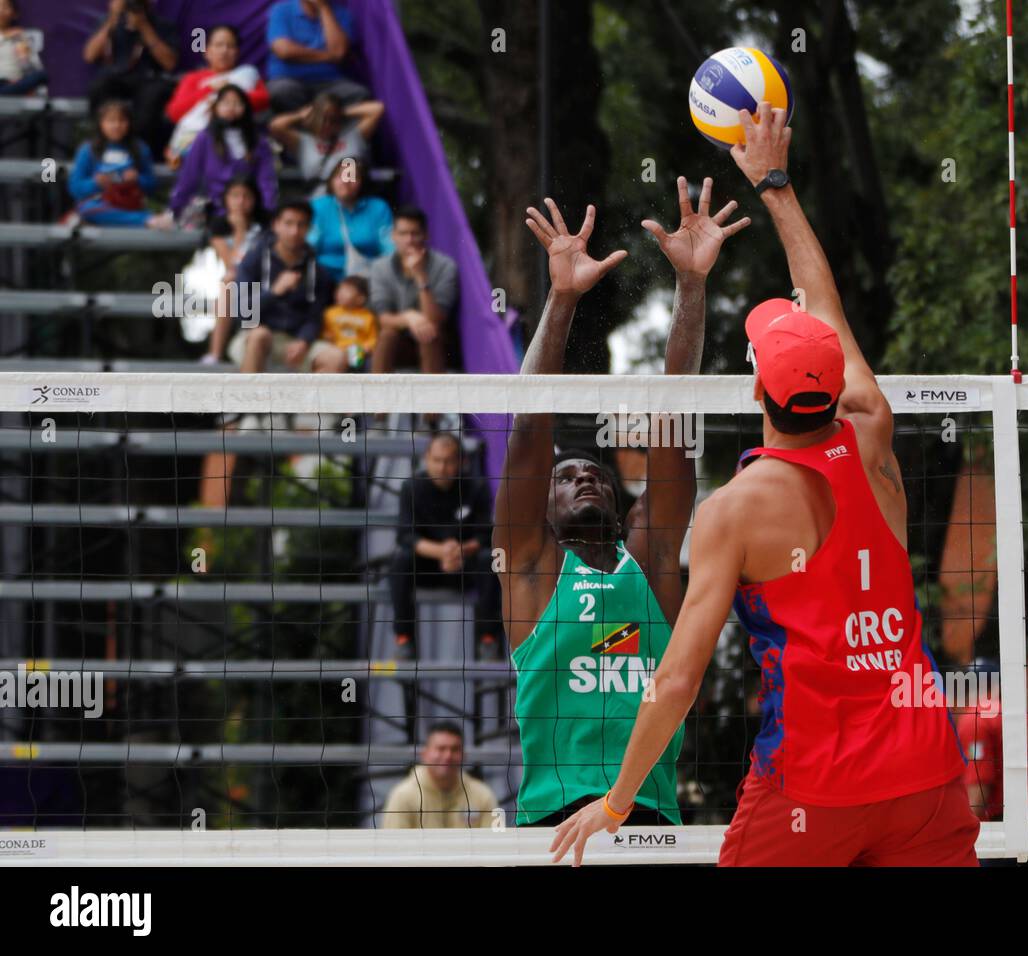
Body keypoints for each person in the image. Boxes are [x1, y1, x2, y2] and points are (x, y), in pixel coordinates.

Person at [551, 103, 979, 868]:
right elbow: (827, 304)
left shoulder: (732, 515)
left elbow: (678, 678)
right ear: (833, 385)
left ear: (756, 393)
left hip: (812, 790)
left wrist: (616, 802)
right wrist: (774, 186)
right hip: (925, 780)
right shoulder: (873, 435)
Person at [496, 178, 749, 829]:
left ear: (621, 500)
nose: (584, 479)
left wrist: (691, 286)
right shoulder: (533, 568)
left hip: (646, 821)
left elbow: (674, 414)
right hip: (553, 825)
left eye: (596, 475)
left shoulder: (653, 560)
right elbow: (530, 428)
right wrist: (561, 298)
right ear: (543, 514)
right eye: (566, 477)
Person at [388, 432, 500, 659]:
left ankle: (489, 639)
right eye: (437, 460)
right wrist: (441, 551)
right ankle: (403, 639)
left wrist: (461, 550)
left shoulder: (476, 487)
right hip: (427, 566)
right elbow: (405, 535)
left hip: (465, 566)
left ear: (461, 462)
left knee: (492, 559)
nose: (442, 467)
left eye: (448, 461)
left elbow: (486, 534)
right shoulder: (412, 488)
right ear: (427, 459)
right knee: (400, 559)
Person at [228, 200, 343, 374]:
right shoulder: (253, 261)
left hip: (295, 341)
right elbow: (241, 310)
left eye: (301, 225)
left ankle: (311, 402)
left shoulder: (318, 271)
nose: (294, 231)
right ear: (276, 225)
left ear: (309, 229)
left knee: (336, 357)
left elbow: (315, 316)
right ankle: (249, 400)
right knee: (260, 335)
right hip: (253, 337)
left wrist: (304, 341)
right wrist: (274, 292)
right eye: (288, 223)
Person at [957, 658, 1028, 825]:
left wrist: (966, 826)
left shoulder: (975, 719)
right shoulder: (1021, 717)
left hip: (1002, 821)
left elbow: (979, 783)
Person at [165, 84, 277, 229]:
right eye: (225, 103)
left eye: (237, 103)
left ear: (246, 108)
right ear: (216, 108)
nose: (231, 108)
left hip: (249, 208)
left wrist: (268, 209)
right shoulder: (204, 138)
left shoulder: (258, 141)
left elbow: (266, 180)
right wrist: (174, 208)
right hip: (214, 207)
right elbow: (189, 176)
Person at [369, 205, 458, 376]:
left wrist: (420, 277)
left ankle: (434, 399)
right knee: (387, 334)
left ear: (425, 235)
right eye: (402, 234)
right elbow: (384, 318)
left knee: (429, 332)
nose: (409, 240)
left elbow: (435, 320)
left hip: (435, 342)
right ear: (393, 236)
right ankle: (377, 399)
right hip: (397, 340)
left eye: (414, 233)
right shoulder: (380, 267)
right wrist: (409, 317)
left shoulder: (446, 266)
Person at [163, 24, 269, 164]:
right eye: (218, 45)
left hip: (236, 137)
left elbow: (264, 100)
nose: (224, 51)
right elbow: (174, 112)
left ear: (237, 51)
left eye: (230, 46)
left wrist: (229, 95)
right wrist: (210, 89)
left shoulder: (247, 75)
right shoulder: (193, 78)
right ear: (207, 51)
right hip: (198, 140)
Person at [82, 0, 178, 156]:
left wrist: (144, 27)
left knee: (154, 95)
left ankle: (140, 153)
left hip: (148, 79)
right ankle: (101, 148)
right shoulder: (108, 21)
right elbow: (89, 55)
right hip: (114, 78)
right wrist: (112, 19)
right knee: (99, 86)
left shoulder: (162, 25)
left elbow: (169, 64)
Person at [380, 723, 498, 829]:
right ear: (425, 754)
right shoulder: (403, 796)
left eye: (455, 749)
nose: (448, 756)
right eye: (440, 749)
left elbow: (496, 844)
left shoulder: (483, 795)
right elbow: (394, 848)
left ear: (464, 755)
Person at [202, 177, 266, 364]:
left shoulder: (266, 224)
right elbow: (232, 264)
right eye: (235, 195)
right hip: (241, 281)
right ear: (226, 199)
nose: (240, 201)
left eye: (246, 196)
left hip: (266, 277)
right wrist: (240, 232)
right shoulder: (218, 226)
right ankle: (215, 352)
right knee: (228, 283)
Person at [264, 0, 370, 114]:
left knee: (359, 94)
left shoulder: (343, 14)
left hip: (329, 82)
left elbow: (339, 52)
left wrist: (324, 9)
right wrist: (329, 56)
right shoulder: (281, 10)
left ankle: (331, 128)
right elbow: (284, 51)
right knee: (282, 91)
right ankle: (301, 128)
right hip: (288, 81)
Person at [67, 99, 158, 227]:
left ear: (129, 124)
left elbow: (151, 186)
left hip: (129, 202)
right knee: (87, 208)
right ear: (101, 124)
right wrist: (95, 183)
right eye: (111, 121)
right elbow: (75, 188)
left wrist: (137, 179)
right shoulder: (88, 150)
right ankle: (145, 220)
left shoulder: (140, 149)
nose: (116, 125)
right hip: (99, 202)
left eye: (122, 121)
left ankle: (137, 219)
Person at [268, 92, 384, 192]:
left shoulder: (353, 137)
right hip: (319, 200)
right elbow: (276, 126)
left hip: (351, 198)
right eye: (322, 119)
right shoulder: (303, 142)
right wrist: (301, 115)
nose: (327, 125)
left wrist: (341, 111)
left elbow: (377, 109)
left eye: (333, 120)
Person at [307, 159, 393, 280]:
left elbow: (389, 247)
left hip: (368, 277)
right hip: (325, 277)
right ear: (331, 181)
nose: (345, 182)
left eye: (352, 177)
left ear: (362, 182)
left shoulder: (378, 207)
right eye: (340, 176)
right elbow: (309, 245)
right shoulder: (318, 206)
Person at [321, 275, 376, 370]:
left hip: (358, 351)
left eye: (347, 291)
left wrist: (365, 348)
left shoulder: (368, 316)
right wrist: (327, 336)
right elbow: (325, 332)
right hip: (337, 349)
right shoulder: (330, 313)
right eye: (340, 289)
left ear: (360, 299)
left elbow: (372, 339)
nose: (340, 293)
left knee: (366, 364)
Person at [0, 0, 45, 96]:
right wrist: (5, 37)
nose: (1, 10)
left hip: (12, 84)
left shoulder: (20, 37)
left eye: (5, 7)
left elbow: (34, 69)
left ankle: (7, 92)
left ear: (14, 13)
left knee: (42, 76)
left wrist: (24, 58)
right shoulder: (13, 34)